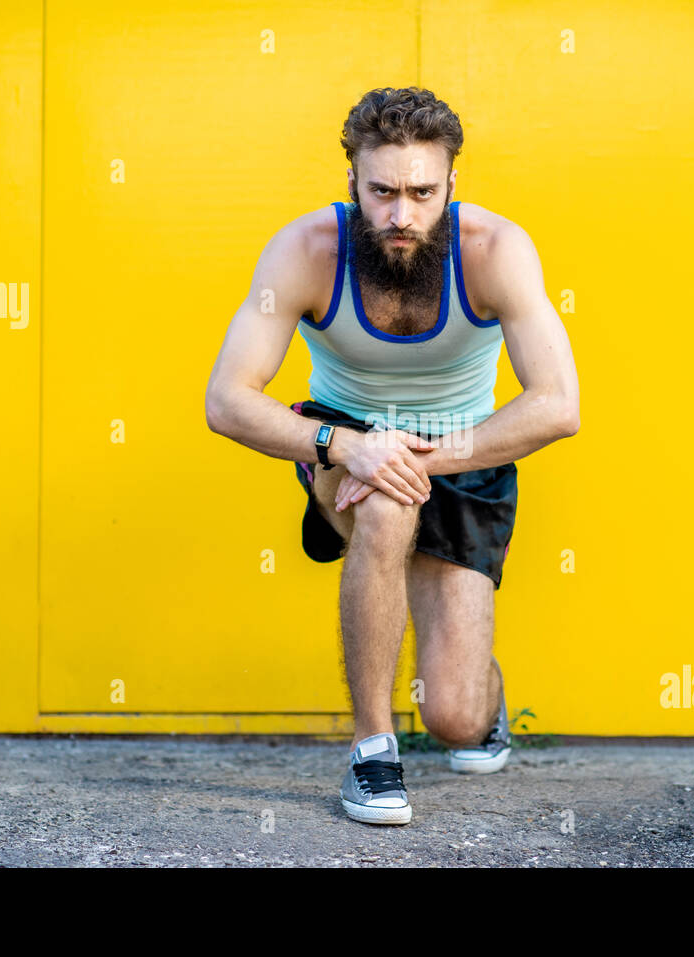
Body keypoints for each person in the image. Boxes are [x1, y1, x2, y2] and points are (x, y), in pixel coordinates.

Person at [205, 87, 580, 825]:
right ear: (352, 181)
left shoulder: (496, 251)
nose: (401, 214)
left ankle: (481, 697)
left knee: (454, 718)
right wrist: (347, 446)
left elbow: (557, 406)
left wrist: (421, 458)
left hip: (464, 450)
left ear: (452, 184)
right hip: (344, 436)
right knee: (382, 503)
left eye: (421, 191)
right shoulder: (307, 250)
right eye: (381, 192)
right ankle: (372, 749)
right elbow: (228, 399)